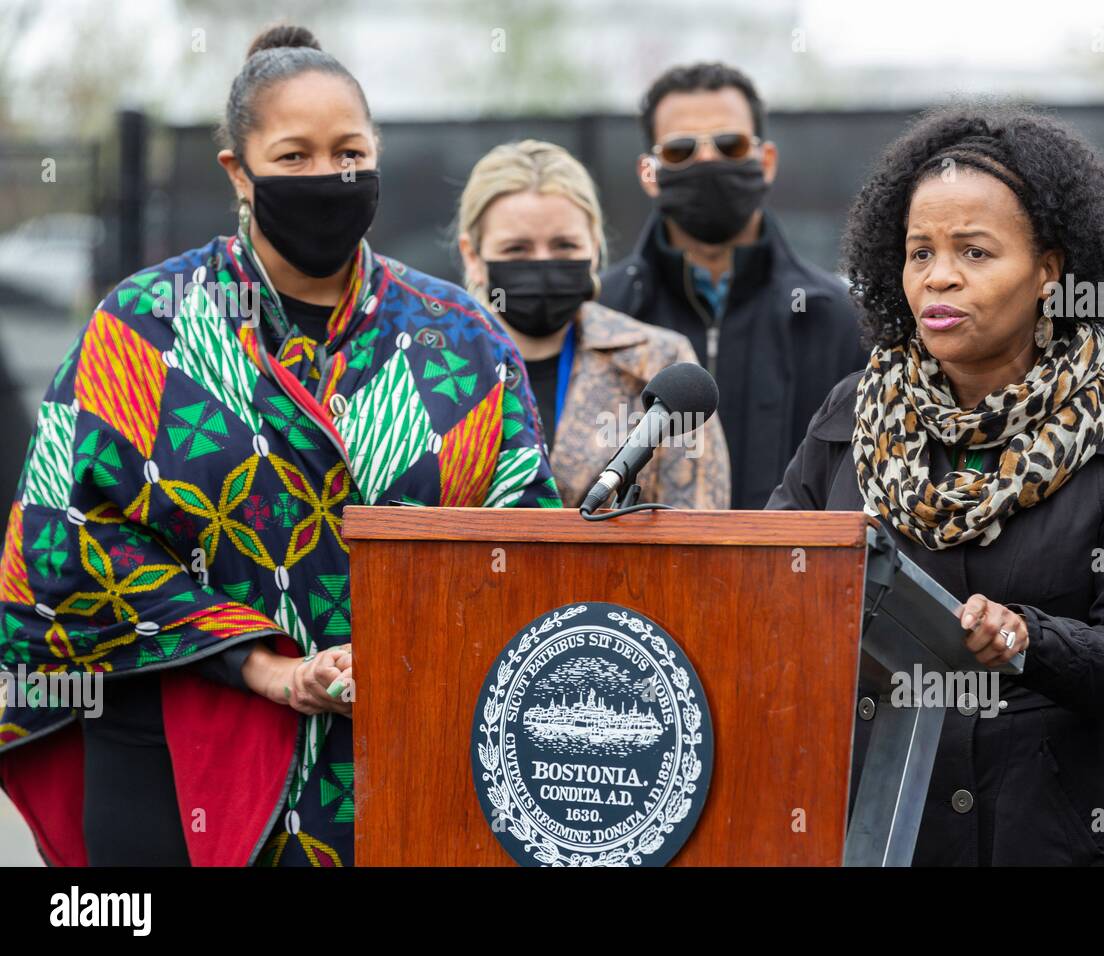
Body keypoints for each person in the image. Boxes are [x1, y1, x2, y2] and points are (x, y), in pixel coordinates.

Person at [0, 24, 560, 868]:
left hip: (408, 752)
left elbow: (525, 538)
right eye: (293, 157)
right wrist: (259, 660)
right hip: (180, 758)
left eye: (348, 153)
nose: (327, 177)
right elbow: (63, 539)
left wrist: (412, 643)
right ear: (238, 170)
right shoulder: (145, 326)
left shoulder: (462, 338)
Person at [767, 103, 1104, 865]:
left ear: (1050, 273)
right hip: (880, 826)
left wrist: (1030, 638)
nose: (941, 276)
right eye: (919, 252)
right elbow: (769, 583)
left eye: (975, 252)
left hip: (1056, 835)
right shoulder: (849, 414)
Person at [598, 63, 866, 509]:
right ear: (650, 172)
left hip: (792, 573)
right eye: (682, 150)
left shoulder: (840, 318)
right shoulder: (605, 316)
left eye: (730, 144)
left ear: (766, 162)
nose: (708, 161)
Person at [457, 140, 729, 509]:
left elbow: (697, 531)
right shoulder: (433, 362)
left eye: (564, 246)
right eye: (516, 249)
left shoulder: (658, 361)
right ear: (473, 256)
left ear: (594, 249)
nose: (543, 263)